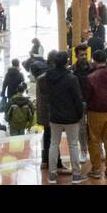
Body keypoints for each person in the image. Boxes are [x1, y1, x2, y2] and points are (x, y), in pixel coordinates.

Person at [42, 51, 86, 184]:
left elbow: (47, 96)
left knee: (54, 144)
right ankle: (76, 175)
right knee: (73, 144)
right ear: (67, 62)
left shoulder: (48, 77)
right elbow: (77, 99)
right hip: (71, 116)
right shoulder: (71, 78)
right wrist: (79, 115)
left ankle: (52, 176)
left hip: (55, 116)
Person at [83, 48, 107, 179]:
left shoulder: (91, 77)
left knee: (94, 141)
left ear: (94, 61)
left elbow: (86, 96)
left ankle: (96, 169)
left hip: (94, 112)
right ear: (106, 60)